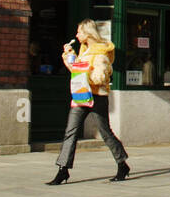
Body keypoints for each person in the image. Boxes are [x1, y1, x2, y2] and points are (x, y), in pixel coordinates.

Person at [47, 19, 130, 185]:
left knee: (105, 132)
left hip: (97, 97)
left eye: (79, 32)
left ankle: (122, 164)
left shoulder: (101, 53)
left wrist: (85, 74)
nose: (77, 35)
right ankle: (63, 170)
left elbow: (100, 78)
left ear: (88, 33)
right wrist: (69, 57)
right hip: (80, 96)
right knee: (71, 131)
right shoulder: (84, 51)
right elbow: (76, 72)